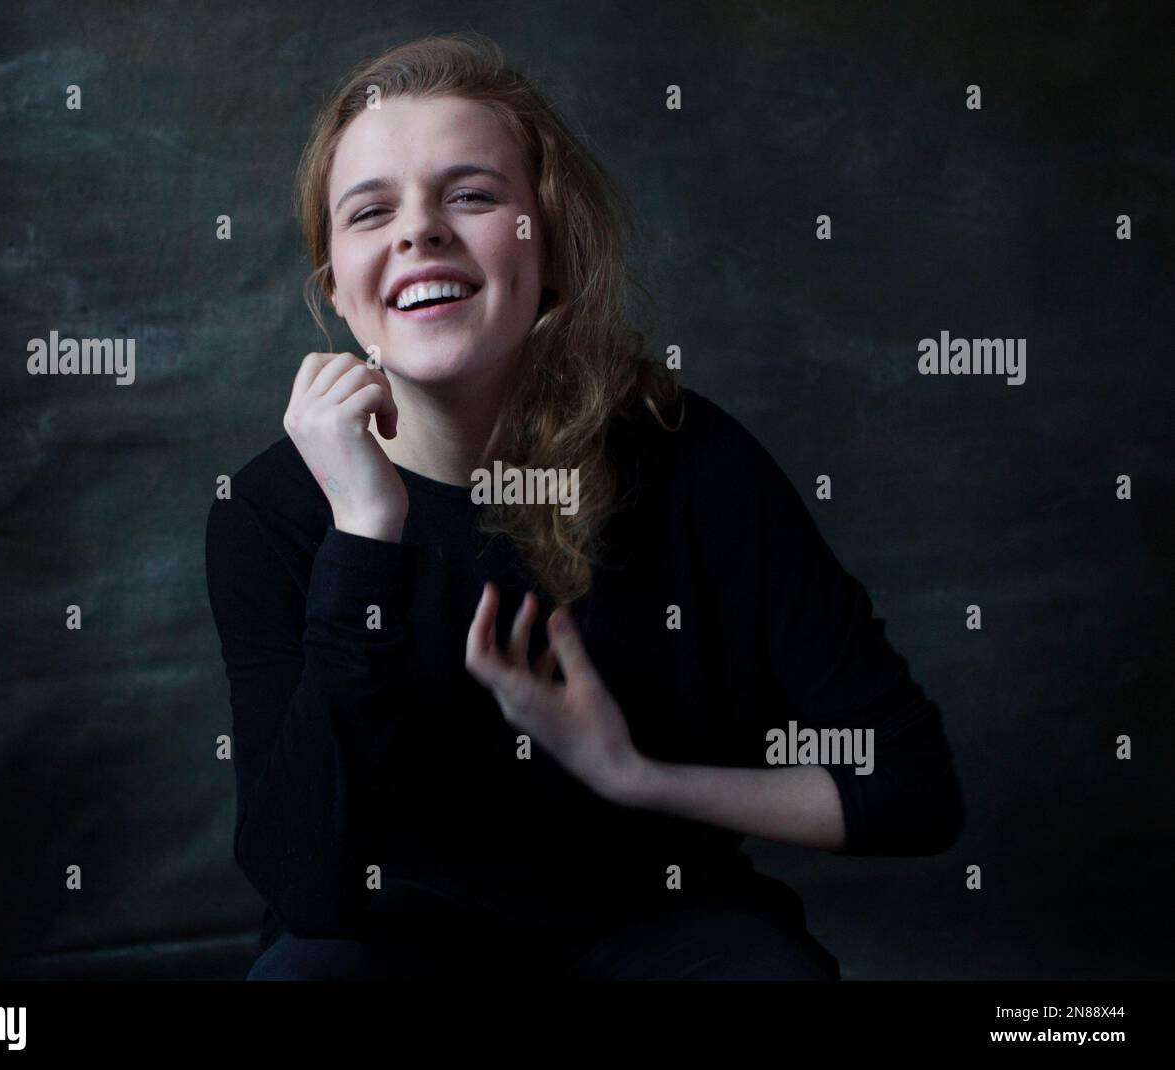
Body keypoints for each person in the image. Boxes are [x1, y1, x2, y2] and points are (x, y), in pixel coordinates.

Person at [204, 33, 965, 981]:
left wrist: (635, 777)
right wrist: (365, 532)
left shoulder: (693, 461)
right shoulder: (271, 511)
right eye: (371, 212)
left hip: (661, 929)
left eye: (471, 195)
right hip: (384, 951)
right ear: (340, 293)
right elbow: (306, 887)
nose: (419, 232)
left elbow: (913, 789)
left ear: (550, 248)